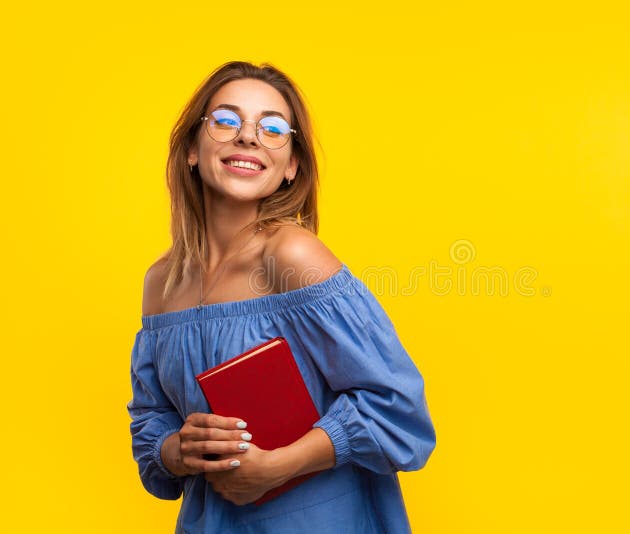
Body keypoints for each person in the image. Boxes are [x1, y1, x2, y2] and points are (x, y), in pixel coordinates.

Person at [127, 61, 436, 533]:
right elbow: (152, 423)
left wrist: (280, 466)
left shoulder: (292, 255)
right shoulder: (161, 282)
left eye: (272, 128)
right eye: (227, 120)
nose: (248, 137)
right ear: (192, 147)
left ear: (291, 166)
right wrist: (177, 449)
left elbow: (398, 408)